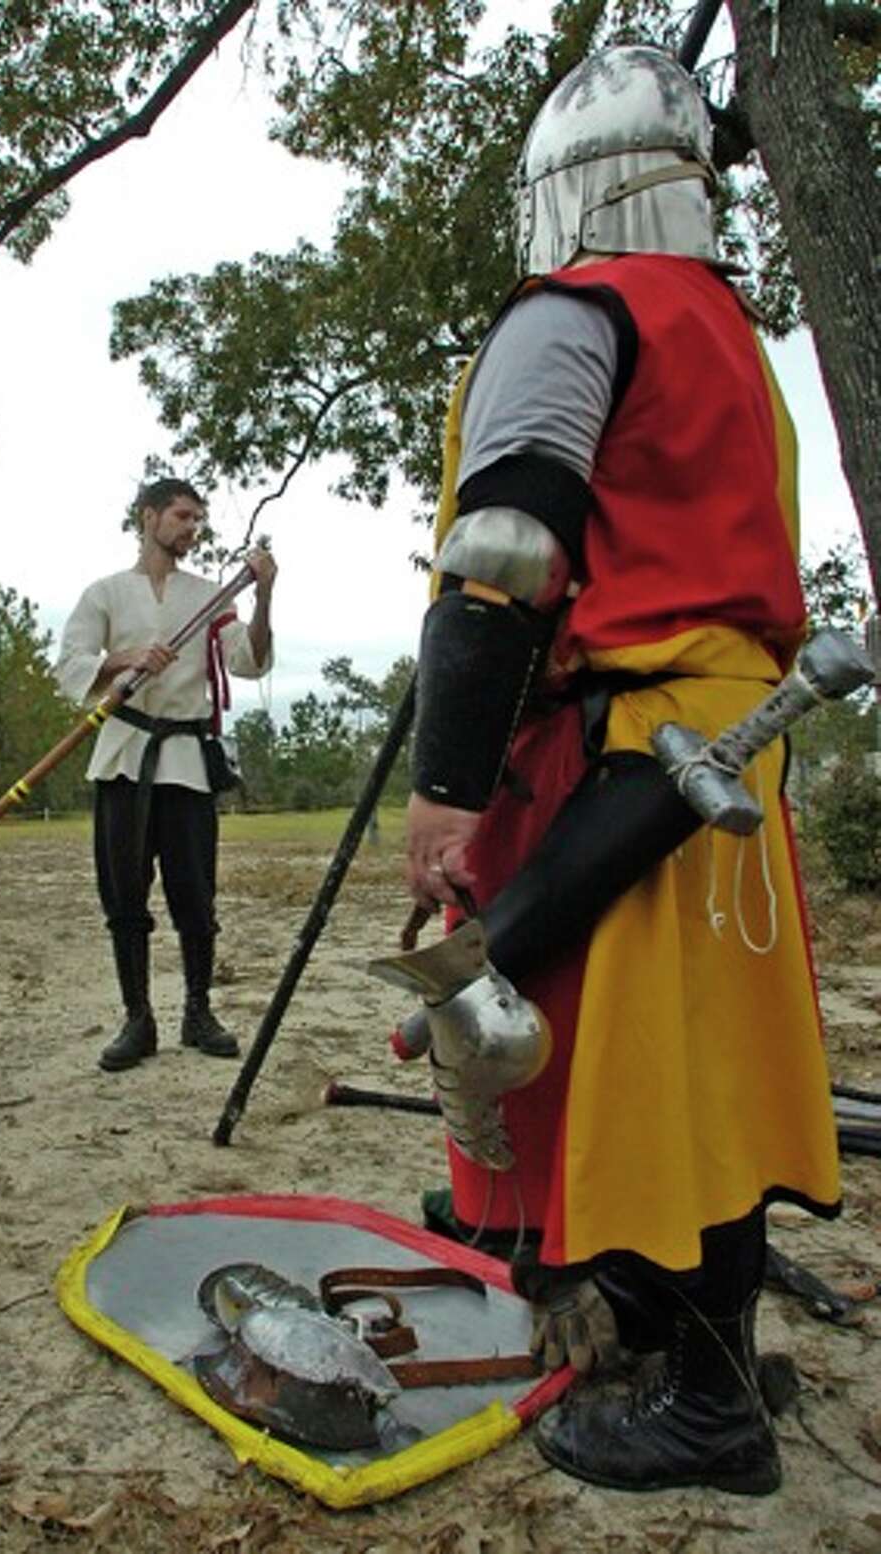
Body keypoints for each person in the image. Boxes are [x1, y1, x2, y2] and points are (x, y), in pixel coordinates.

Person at [402, 44, 840, 1495]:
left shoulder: (576, 309)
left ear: (565, 189)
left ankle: (712, 1412)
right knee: (693, 1076)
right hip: (726, 734)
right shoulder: (731, 336)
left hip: (651, 744)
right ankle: (666, 1324)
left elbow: (508, 549)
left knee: (659, 1071)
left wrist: (447, 782)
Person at [54, 477, 277, 1073]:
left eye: (197, 519)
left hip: (187, 762)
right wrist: (125, 658)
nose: (191, 528)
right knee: (123, 891)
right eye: (181, 516)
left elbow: (248, 661)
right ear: (148, 517)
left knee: (195, 895)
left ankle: (198, 1012)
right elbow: (70, 665)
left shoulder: (211, 595)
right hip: (124, 754)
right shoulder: (104, 594)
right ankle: (138, 1018)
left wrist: (264, 599)